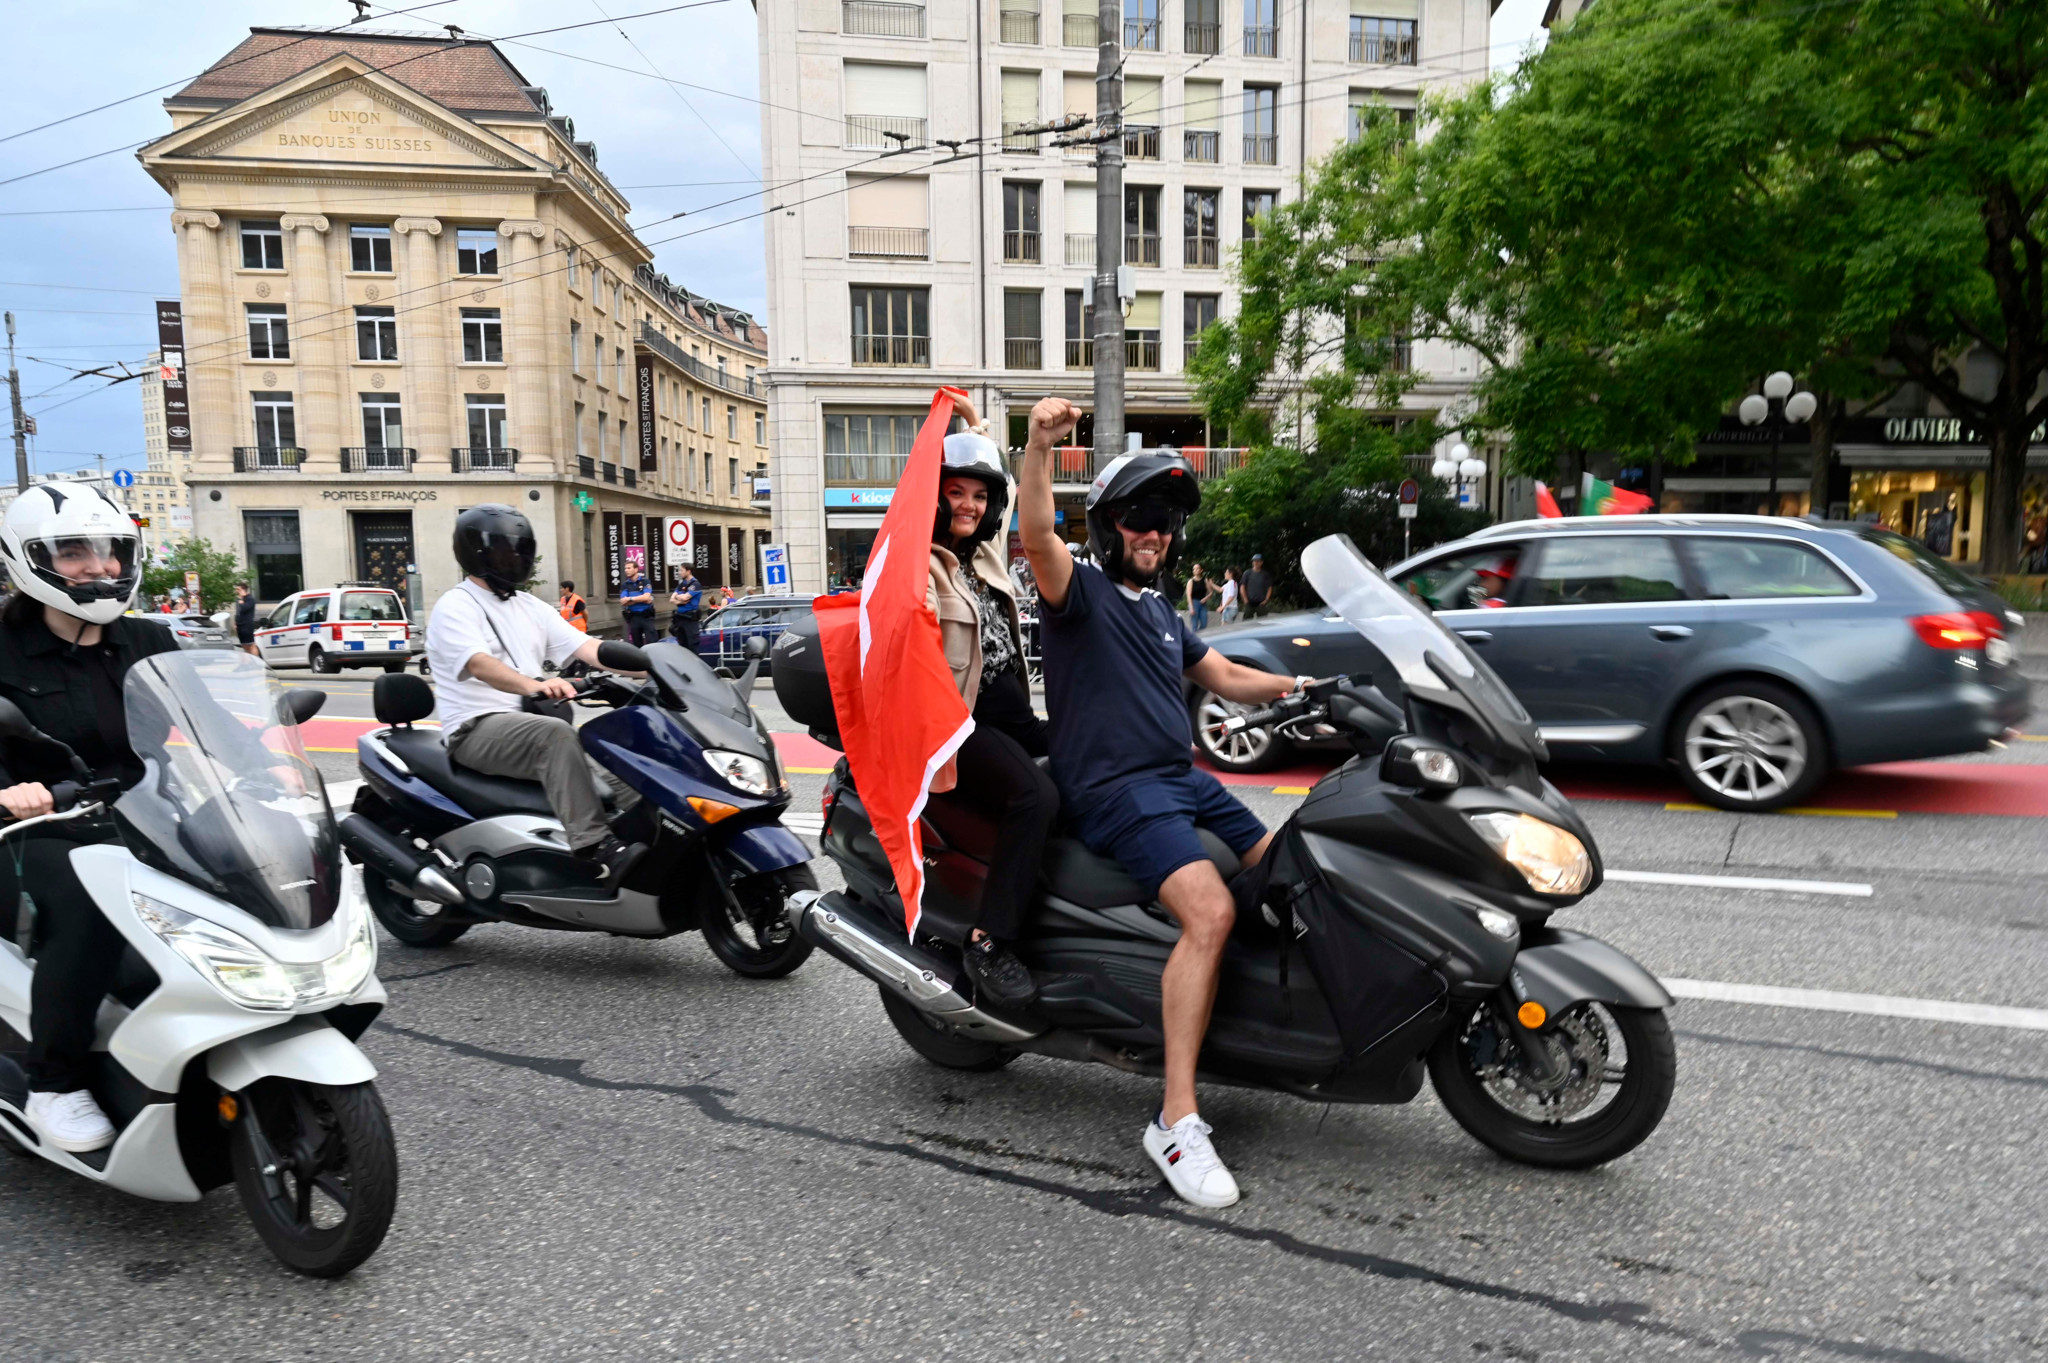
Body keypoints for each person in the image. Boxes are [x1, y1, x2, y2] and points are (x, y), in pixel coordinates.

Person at [1017, 397, 1307, 1209]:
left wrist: (1304, 688)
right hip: (1113, 789)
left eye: (1168, 523)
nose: (1157, 534)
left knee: (1288, 869)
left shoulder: (1162, 612)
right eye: (1143, 518)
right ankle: (1176, 1118)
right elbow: (1038, 531)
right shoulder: (1078, 593)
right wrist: (1039, 444)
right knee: (1210, 912)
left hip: (1180, 780)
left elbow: (1223, 676)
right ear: (1111, 526)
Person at [0, 484, 174, 1153]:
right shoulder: (5, 648)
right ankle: (54, 1082)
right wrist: (12, 791)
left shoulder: (149, 638)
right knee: (91, 900)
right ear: (26, 558)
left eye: (109, 551)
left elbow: (204, 723)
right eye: (73, 552)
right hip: (27, 834)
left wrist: (260, 763)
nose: (98, 568)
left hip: (135, 816)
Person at [427, 505, 647, 885]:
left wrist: (658, 666)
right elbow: (478, 663)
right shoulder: (455, 606)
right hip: (475, 728)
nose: (515, 559)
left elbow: (589, 648)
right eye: (503, 551)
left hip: (528, 724)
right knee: (555, 736)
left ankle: (647, 838)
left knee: (613, 747)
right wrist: (533, 685)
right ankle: (596, 847)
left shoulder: (530, 605)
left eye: (520, 550)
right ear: (476, 554)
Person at [926, 394, 1057, 1008]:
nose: (970, 506)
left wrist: (981, 434)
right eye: (956, 493)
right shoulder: (920, 566)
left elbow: (1004, 495)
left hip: (1011, 714)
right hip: (960, 722)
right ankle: (989, 939)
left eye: (978, 497)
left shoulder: (982, 555)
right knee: (1035, 796)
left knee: (1088, 751)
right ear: (935, 495)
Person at [669, 563, 703, 653]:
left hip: (690, 619)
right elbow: (672, 599)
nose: (679, 573)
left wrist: (680, 597)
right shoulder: (681, 584)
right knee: (682, 645)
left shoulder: (695, 584)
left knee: (692, 645)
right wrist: (681, 600)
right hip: (680, 618)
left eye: (681, 570)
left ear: (688, 571)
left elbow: (685, 598)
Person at [619, 566, 655, 646]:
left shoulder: (645, 581)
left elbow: (646, 597)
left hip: (646, 616)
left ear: (636, 569)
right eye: (625, 568)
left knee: (651, 642)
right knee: (636, 644)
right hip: (633, 617)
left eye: (629, 568)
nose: (626, 570)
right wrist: (641, 599)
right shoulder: (625, 585)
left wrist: (630, 599)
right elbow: (623, 601)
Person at [1240, 553, 1272, 619]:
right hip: (1249, 602)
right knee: (1246, 623)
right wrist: (1245, 600)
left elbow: (1270, 588)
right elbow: (1242, 587)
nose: (1256, 562)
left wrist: (1266, 600)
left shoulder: (1265, 574)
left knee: (1263, 623)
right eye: (1254, 561)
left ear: (1261, 562)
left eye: (1258, 561)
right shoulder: (1247, 573)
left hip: (1261, 603)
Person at [1183, 562, 1212, 631]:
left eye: (1197, 568)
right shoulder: (1191, 581)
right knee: (1194, 625)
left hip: (1203, 604)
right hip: (1194, 602)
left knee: (1204, 624)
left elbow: (1211, 592)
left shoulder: (1205, 580)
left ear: (1201, 570)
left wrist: (1206, 598)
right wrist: (1191, 607)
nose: (1195, 570)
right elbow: (1188, 595)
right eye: (1194, 569)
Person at [233, 580, 259, 656]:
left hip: (247, 625)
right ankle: (248, 662)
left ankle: (255, 660)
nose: (237, 591)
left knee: (251, 644)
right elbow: (238, 612)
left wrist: (241, 599)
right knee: (244, 645)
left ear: (243, 589)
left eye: (238, 589)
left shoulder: (250, 599)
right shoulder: (239, 600)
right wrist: (235, 622)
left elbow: (244, 608)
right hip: (240, 625)